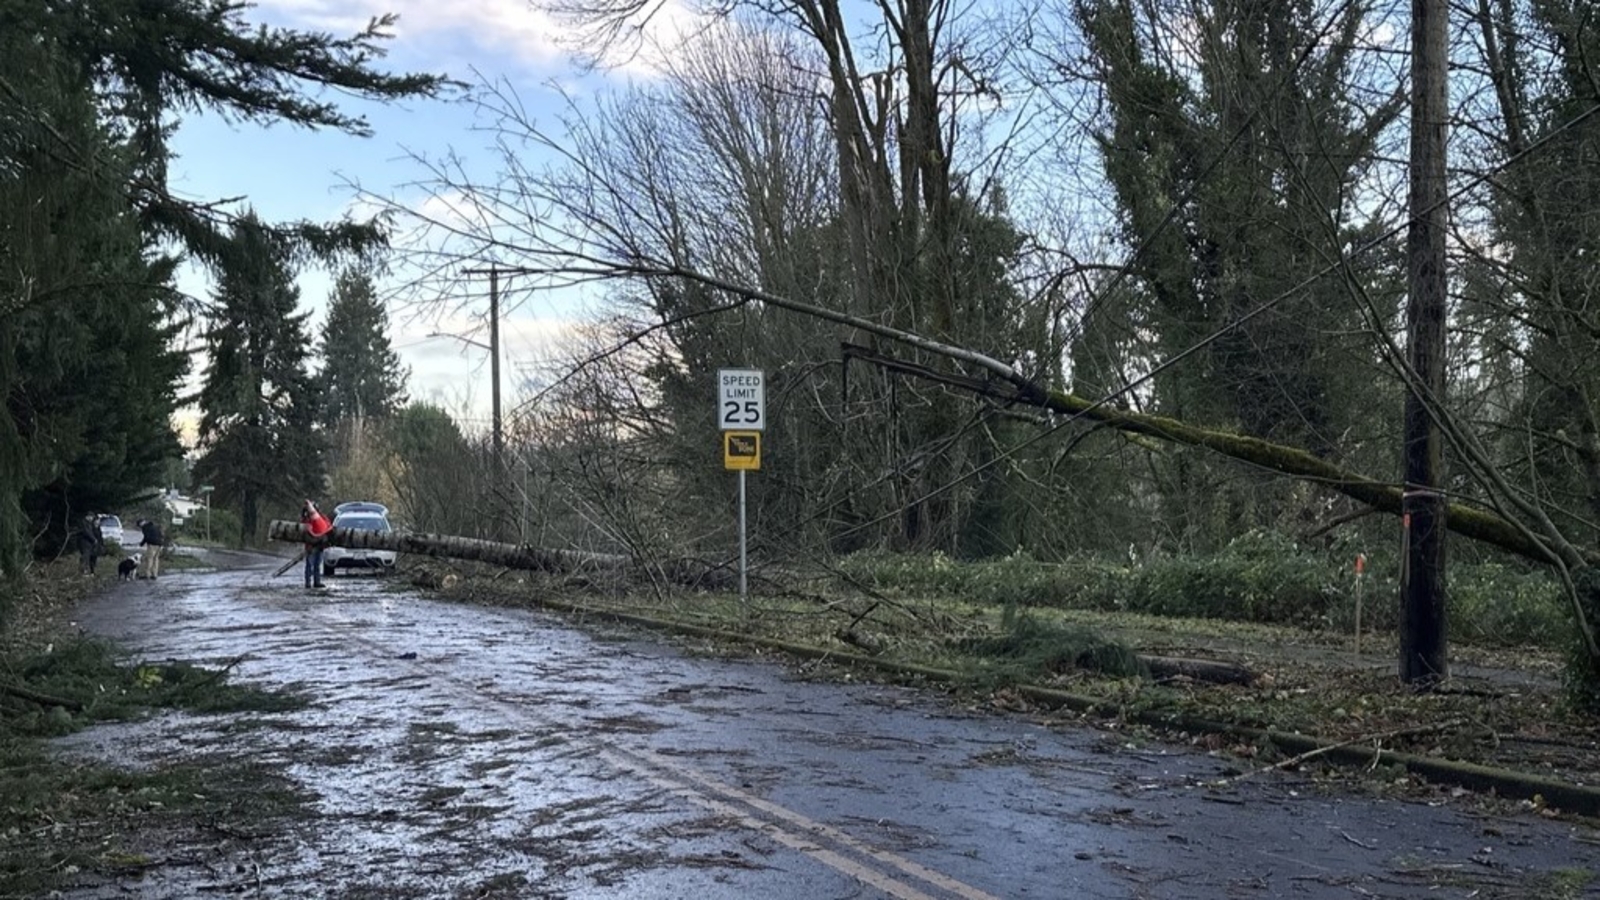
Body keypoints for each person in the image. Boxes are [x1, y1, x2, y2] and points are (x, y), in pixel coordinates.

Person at [301, 500, 331, 589]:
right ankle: (308, 583)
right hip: (311, 545)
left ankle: (316, 582)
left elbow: (327, 526)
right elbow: (304, 530)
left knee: (317, 565)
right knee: (310, 565)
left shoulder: (321, 517)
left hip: (320, 545)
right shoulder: (306, 520)